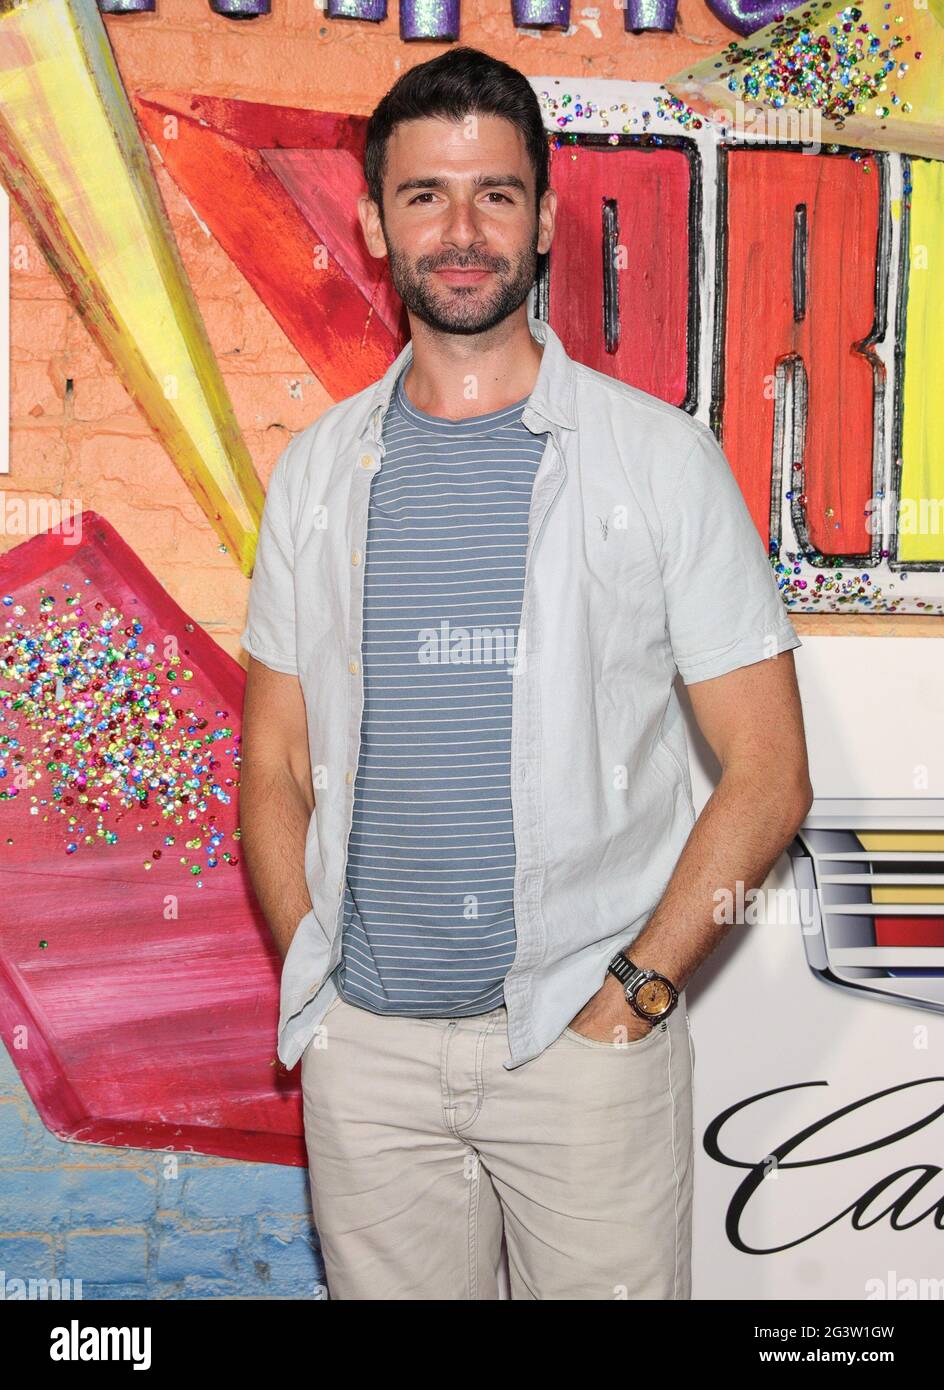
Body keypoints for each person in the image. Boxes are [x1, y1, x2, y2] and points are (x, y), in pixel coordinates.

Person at [239, 45, 812, 1300]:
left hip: (580, 1046)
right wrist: (316, 998)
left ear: (544, 220)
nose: (459, 230)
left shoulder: (657, 462)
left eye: (493, 194)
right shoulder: (318, 473)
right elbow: (275, 760)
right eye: (424, 195)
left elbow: (766, 772)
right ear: (375, 221)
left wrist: (631, 999)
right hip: (368, 1061)